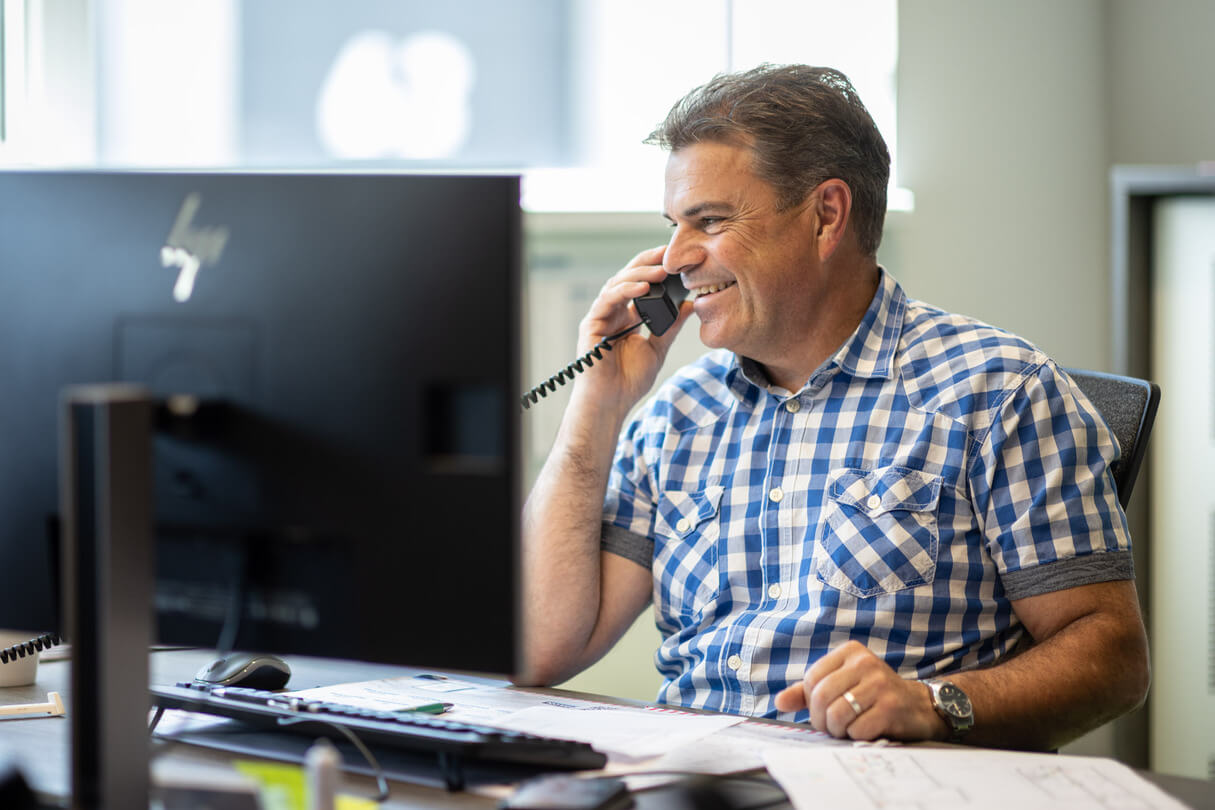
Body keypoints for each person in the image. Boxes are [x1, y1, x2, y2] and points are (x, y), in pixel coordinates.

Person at [516, 64, 1149, 750]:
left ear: (826, 216)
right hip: (693, 783)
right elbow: (540, 648)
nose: (676, 259)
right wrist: (597, 400)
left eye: (710, 222)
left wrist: (934, 703)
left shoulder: (996, 391)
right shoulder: (678, 415)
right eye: (672, 226)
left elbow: (1111, 658)